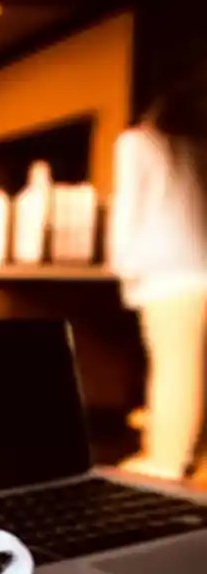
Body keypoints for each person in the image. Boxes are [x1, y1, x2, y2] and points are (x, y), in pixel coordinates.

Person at [110, 70, 207, 482]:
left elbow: (128, 210)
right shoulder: (198, 146)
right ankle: (194, 456)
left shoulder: (136, 142)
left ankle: (165, 462)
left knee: (174, 369)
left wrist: (121, 266)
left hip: (167, 275)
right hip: (200, 267)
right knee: (193, 368)